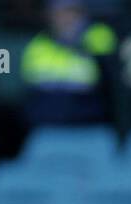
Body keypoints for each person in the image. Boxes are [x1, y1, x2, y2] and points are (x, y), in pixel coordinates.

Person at [21, 0, 119, 128]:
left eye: (72, 13)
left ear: (83, 15)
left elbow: (112, 87)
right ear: (49, 16)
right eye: (59, 14)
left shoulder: (100, 36)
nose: (66, 19)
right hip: (48, 126)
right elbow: (32, 92)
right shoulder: (37, 45)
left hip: (93, 126)